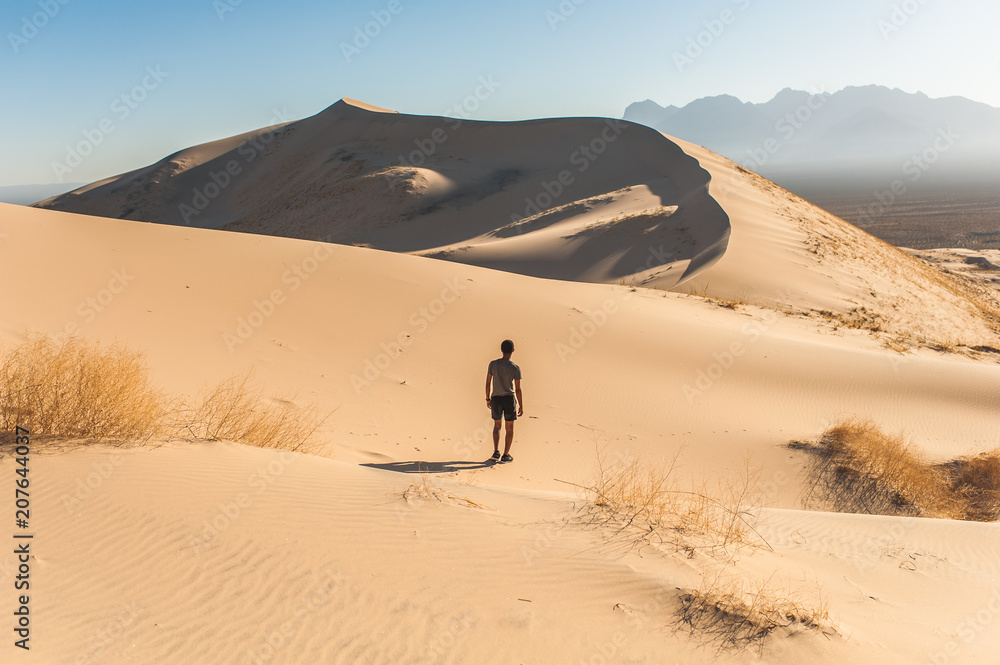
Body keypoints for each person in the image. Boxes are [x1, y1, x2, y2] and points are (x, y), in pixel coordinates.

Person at [485, 339, 523, 463]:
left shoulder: (493, 364)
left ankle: (496, 452)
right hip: (509, 399)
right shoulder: (515, 368)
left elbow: (488, 383)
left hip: (496, 397)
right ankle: (506, 455)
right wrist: (521, 405)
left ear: (501, 350)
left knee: (497, 426)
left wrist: (487, 398)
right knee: (510, 428)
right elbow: (517, 389)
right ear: (513, 350)